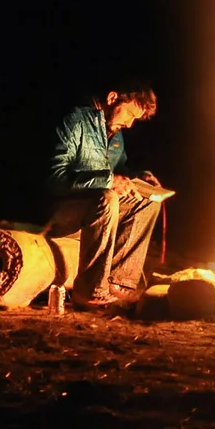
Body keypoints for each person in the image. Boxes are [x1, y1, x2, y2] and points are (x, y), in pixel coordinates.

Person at [46, 85, 165, 308]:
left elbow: (120, 173)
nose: (130, 124)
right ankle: (89, 292)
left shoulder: (115, 134)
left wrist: (140, 178)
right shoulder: (75, 121)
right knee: (108, 197)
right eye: (130, 114)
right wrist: (108, 181)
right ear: (112, 98)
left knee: (147, 203)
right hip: (62, 209)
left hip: (96, 208)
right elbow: (56, 178)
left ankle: (117, 284)